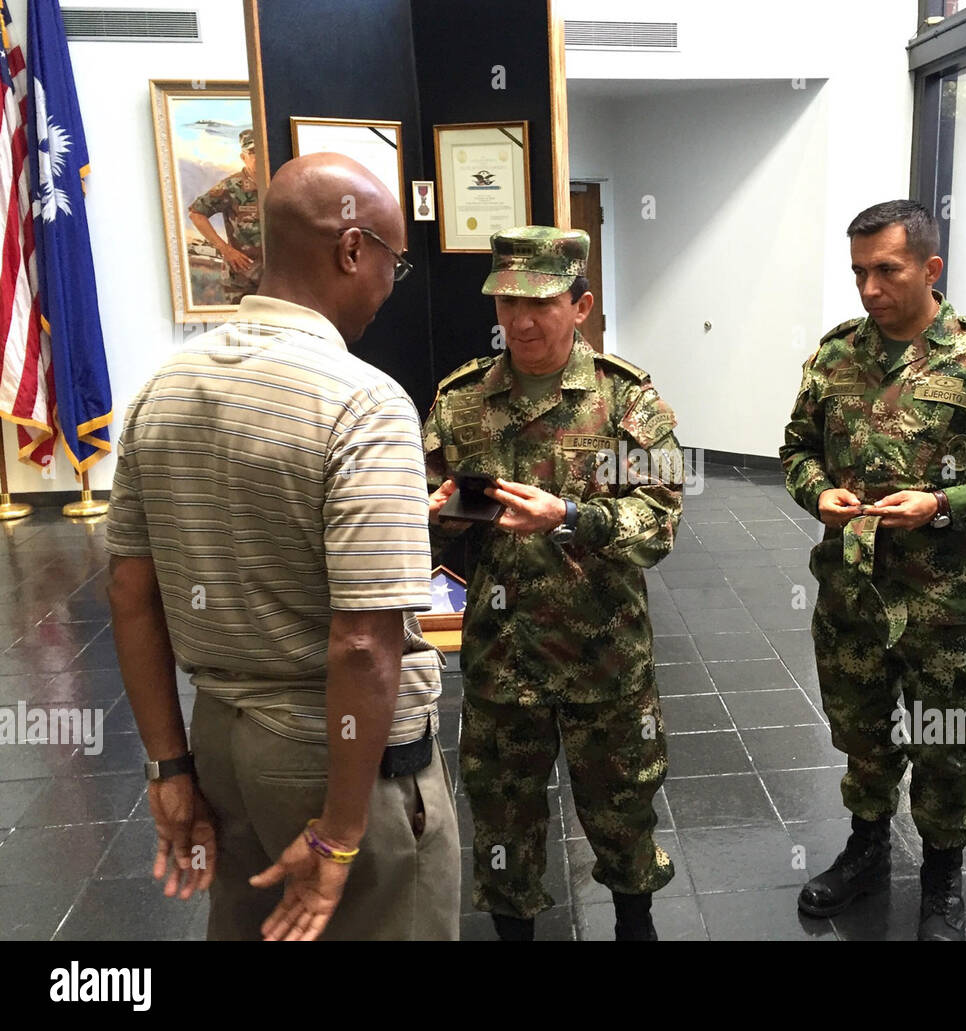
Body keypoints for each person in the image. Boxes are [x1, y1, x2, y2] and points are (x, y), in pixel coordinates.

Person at [106, 152, 459, 941]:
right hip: (334, 755)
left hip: (222, 743)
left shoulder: (160, 392)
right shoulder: (364, 403)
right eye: (393, 264)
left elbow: (131, 593)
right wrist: (338, 832)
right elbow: (364, 644)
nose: (388, 288)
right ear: (351, 250)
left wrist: (169, 768)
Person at [781, 199, 966, 940]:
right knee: (861, 732)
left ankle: (942, 876)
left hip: (943, 604)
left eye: (886, 271)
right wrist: (816, 490)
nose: (869, 288)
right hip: (851, 595)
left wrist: (942, 502)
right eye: (860, 271)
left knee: (944, 738)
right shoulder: (835, 358)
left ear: (930, 268)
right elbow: (795, 450)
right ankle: (866, 848)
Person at [424, 226, 683, 941]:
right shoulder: (460, 401)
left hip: (604, 656)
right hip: (502, 657)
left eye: (539, 304)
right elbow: (433, 517)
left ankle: (636, 925)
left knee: (622, 807)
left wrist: (571, 516)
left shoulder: (628, 401)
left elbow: (659, 521)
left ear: (582, 305)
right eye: (507, 303)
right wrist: (439, 518)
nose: (521, 321)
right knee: (502, 813)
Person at [189, 127, 262, 304]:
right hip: (242, 281)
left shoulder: (279, 182)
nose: (258, 157)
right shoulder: (231, 187)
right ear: (243, 157)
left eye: (261, 151)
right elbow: (196, 213)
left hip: (278, 279)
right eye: (252, 152)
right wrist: (226, 250)